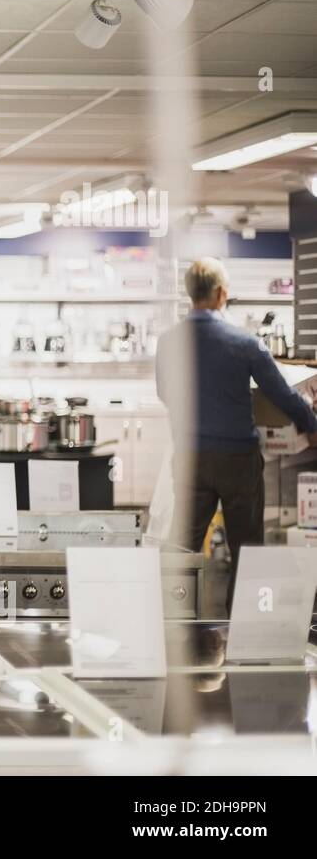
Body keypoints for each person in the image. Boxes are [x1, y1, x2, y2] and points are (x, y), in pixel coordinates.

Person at [155, 257, 317, 612]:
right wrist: (312, 425)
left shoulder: (169, 342)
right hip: (238, 461)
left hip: (190, 457)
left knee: (183, 543)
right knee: (246, 548)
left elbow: (165, 392)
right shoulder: (244, 342)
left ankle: (170, 620)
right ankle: (239, 629)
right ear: (221, 294)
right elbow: (282, 394)